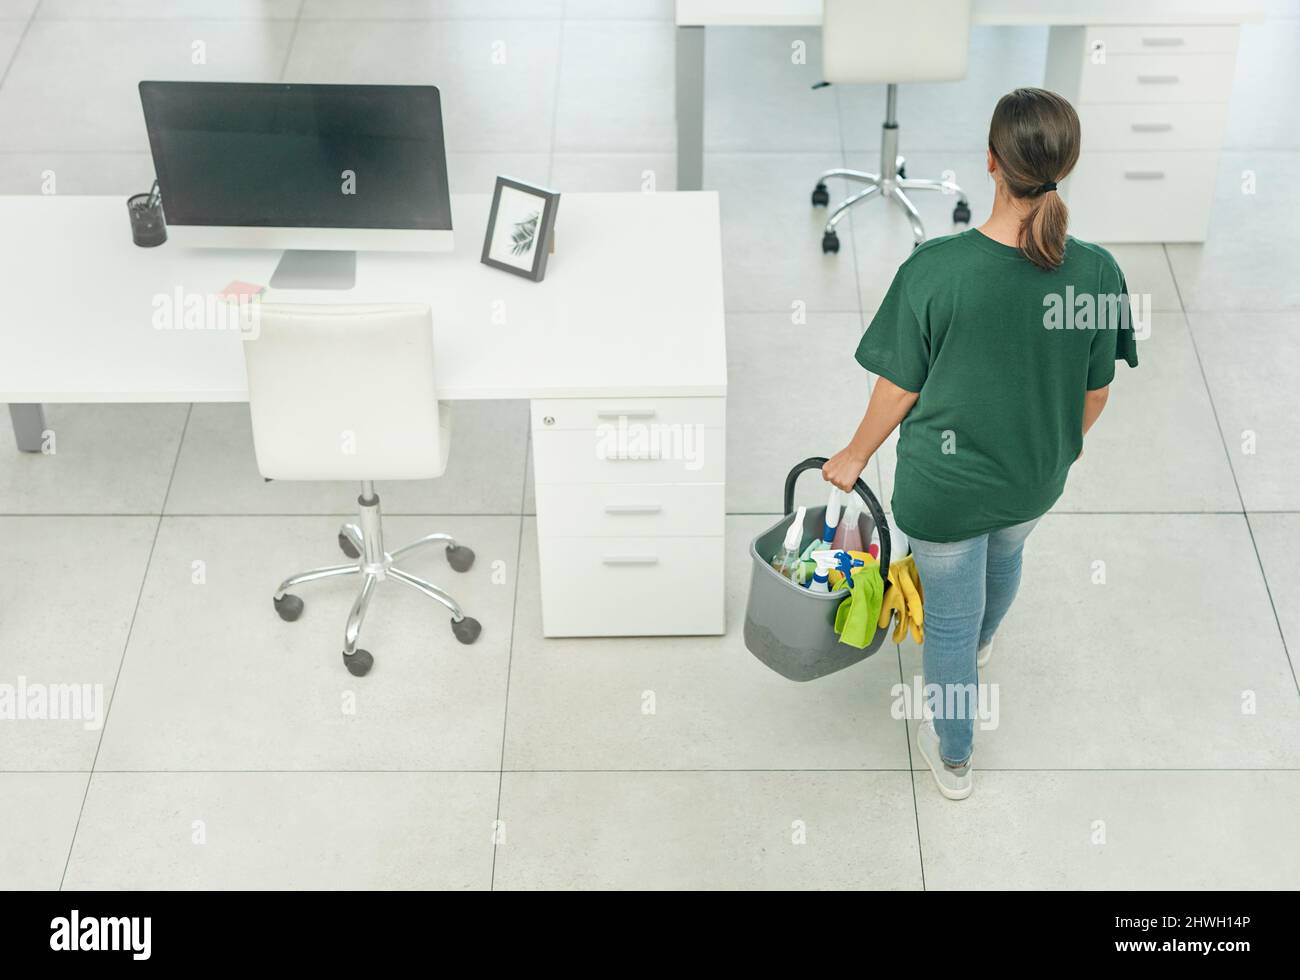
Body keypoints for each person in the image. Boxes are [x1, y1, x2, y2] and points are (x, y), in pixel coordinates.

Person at [822, 88, 1139, 801]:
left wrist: (853, 455)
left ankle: (956, 758)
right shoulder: (1097, 273)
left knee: (948, 624)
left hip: (945, 493)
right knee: (1007, 554)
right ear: (1065, 167)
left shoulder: (935, 271)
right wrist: (1053, 448)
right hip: (1035, 481)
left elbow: (898, 389)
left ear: (990, 164)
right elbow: (1095, 394)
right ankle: (984, 644)